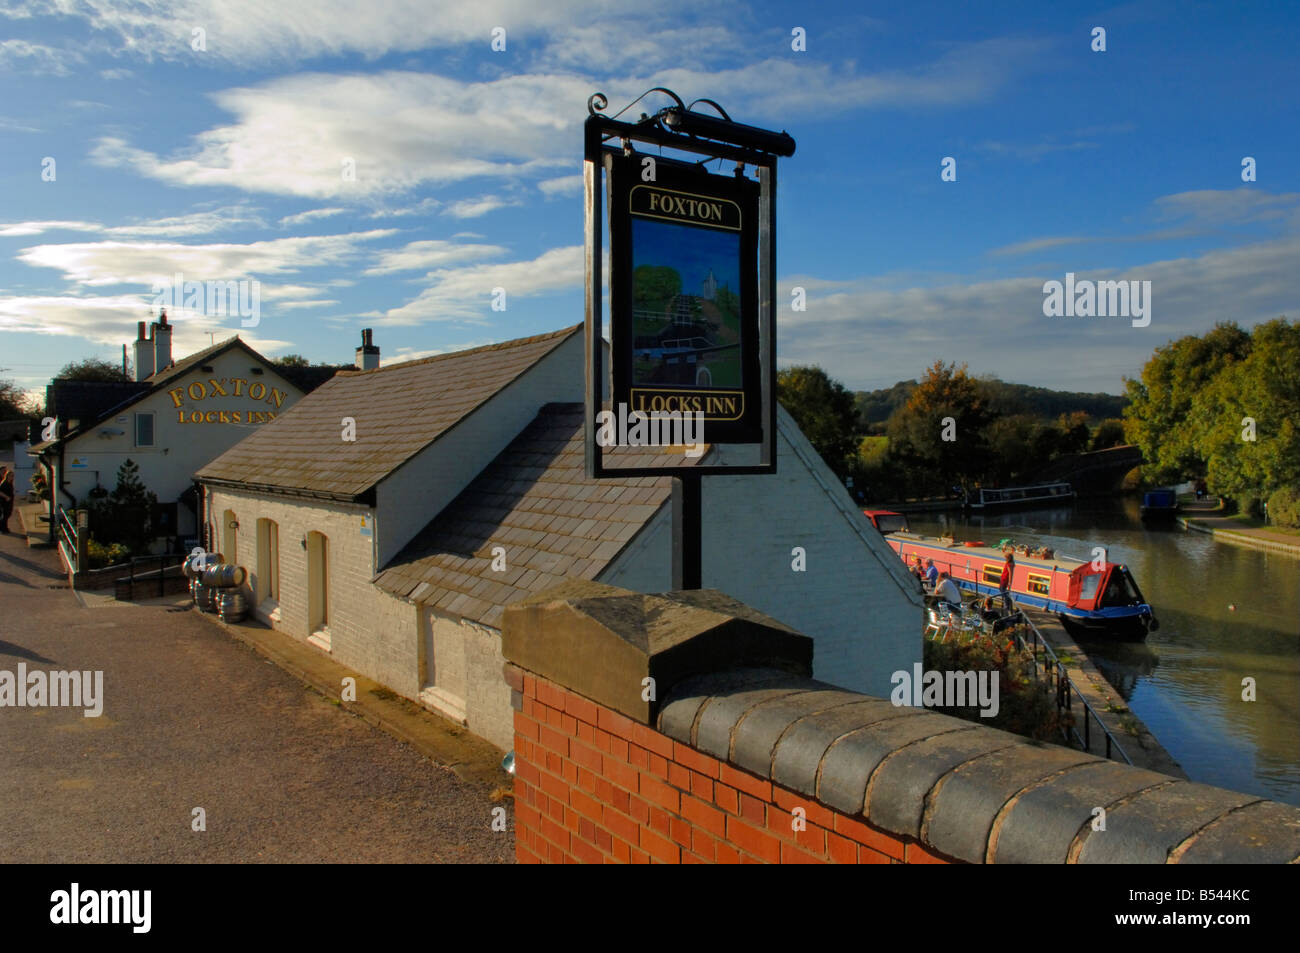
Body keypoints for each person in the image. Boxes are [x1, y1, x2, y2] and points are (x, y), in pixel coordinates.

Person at [999, 551, 1015, 615]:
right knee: (1001, 589)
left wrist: (1010, 582)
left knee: (1003, 591)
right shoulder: (1009, 563)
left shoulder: (1009, 564)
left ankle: (1007, 604)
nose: (1005, 559)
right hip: (1003, 579)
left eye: (1005, 558)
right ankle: (1007, 602)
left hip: (1005, 580)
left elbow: (1010, 574)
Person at [0, 468, 14, 534]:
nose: (12, 477)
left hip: (9, 502)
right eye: (11, 475)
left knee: (8, 514)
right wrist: (6, 497)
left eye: (13, 476)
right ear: (7, 476)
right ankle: (3, 529)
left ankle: (4, 527)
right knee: (5, 515)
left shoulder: (10, 483)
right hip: (4, 502)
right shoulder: (4, 483)